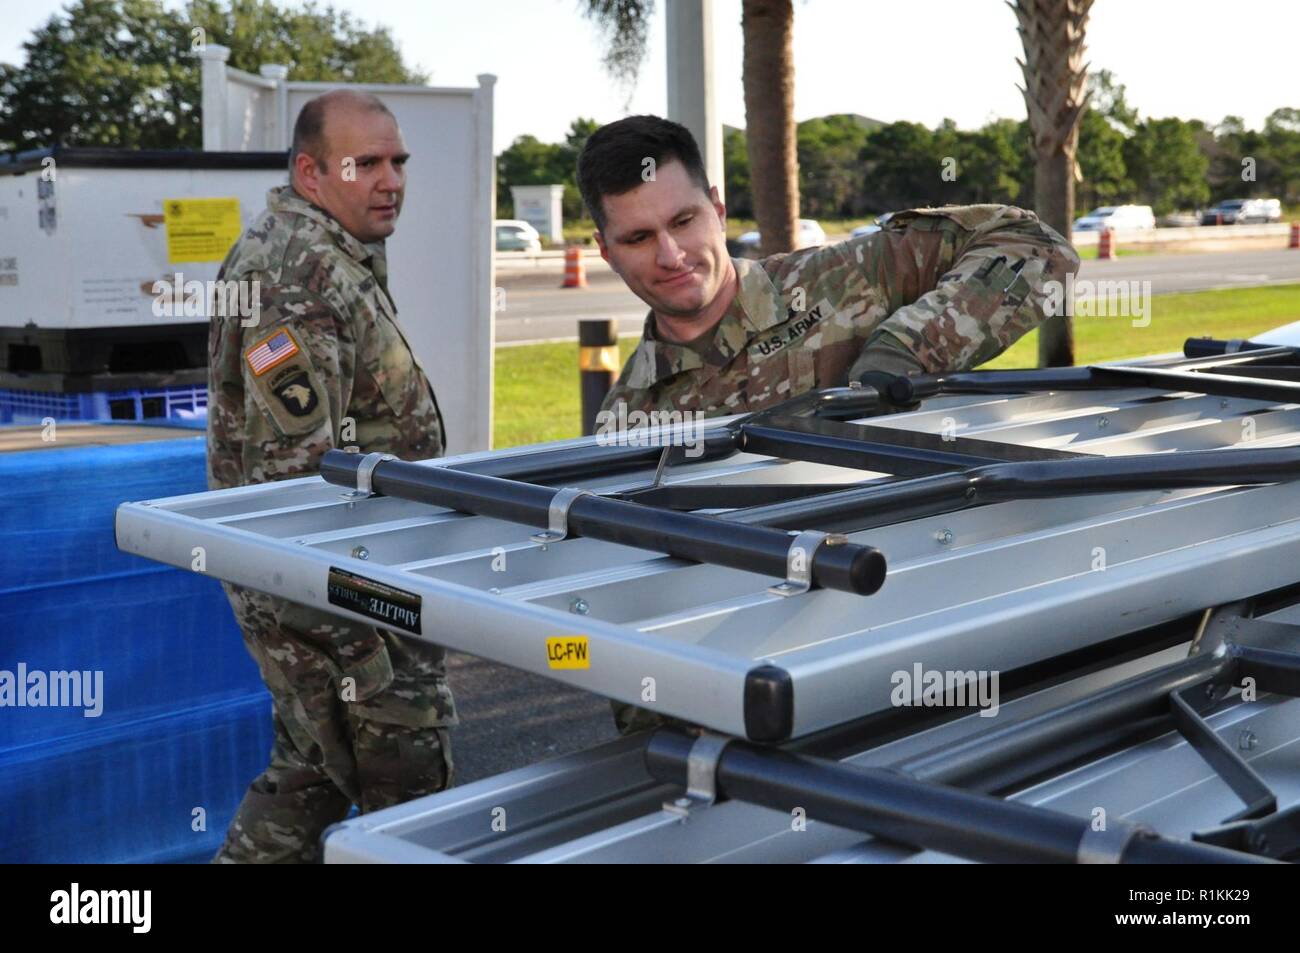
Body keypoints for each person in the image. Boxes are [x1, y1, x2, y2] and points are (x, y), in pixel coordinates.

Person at [576, 115, 1080, 733]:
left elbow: (1037, 247)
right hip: (769, 712)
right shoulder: (628, 421)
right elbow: (632, 622)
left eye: (683, 221)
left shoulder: (844, 281)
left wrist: (904, 353)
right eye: (638, 238)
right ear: (604, 250)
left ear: (717, 207)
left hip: (929, 662)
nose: (671, 255)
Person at [206, 90, 455, 862]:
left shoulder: (327, 251)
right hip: (343, 597)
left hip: (351, 582)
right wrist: (350, 635)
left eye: (398, 161)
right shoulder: (299, 275)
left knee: (308, 775)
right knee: (412, 796)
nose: (392, 180)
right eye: (367, 162)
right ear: (312, 171)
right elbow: (297, 486)